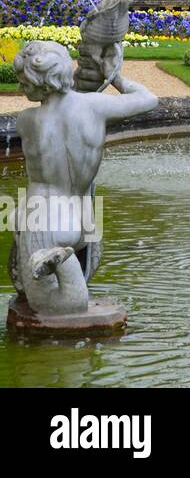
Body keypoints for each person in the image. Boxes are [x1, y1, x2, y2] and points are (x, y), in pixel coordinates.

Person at [10, 41, 157, 315]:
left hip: (44, 216)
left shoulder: (27, 120)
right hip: (84, 217)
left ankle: (58, 262)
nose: (21, 89)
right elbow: (150, 99)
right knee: (48, 290)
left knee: (52, 307)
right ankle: (61, 265)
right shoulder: (96, 106)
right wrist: (116, 77)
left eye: (25, 82)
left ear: (42, 82)